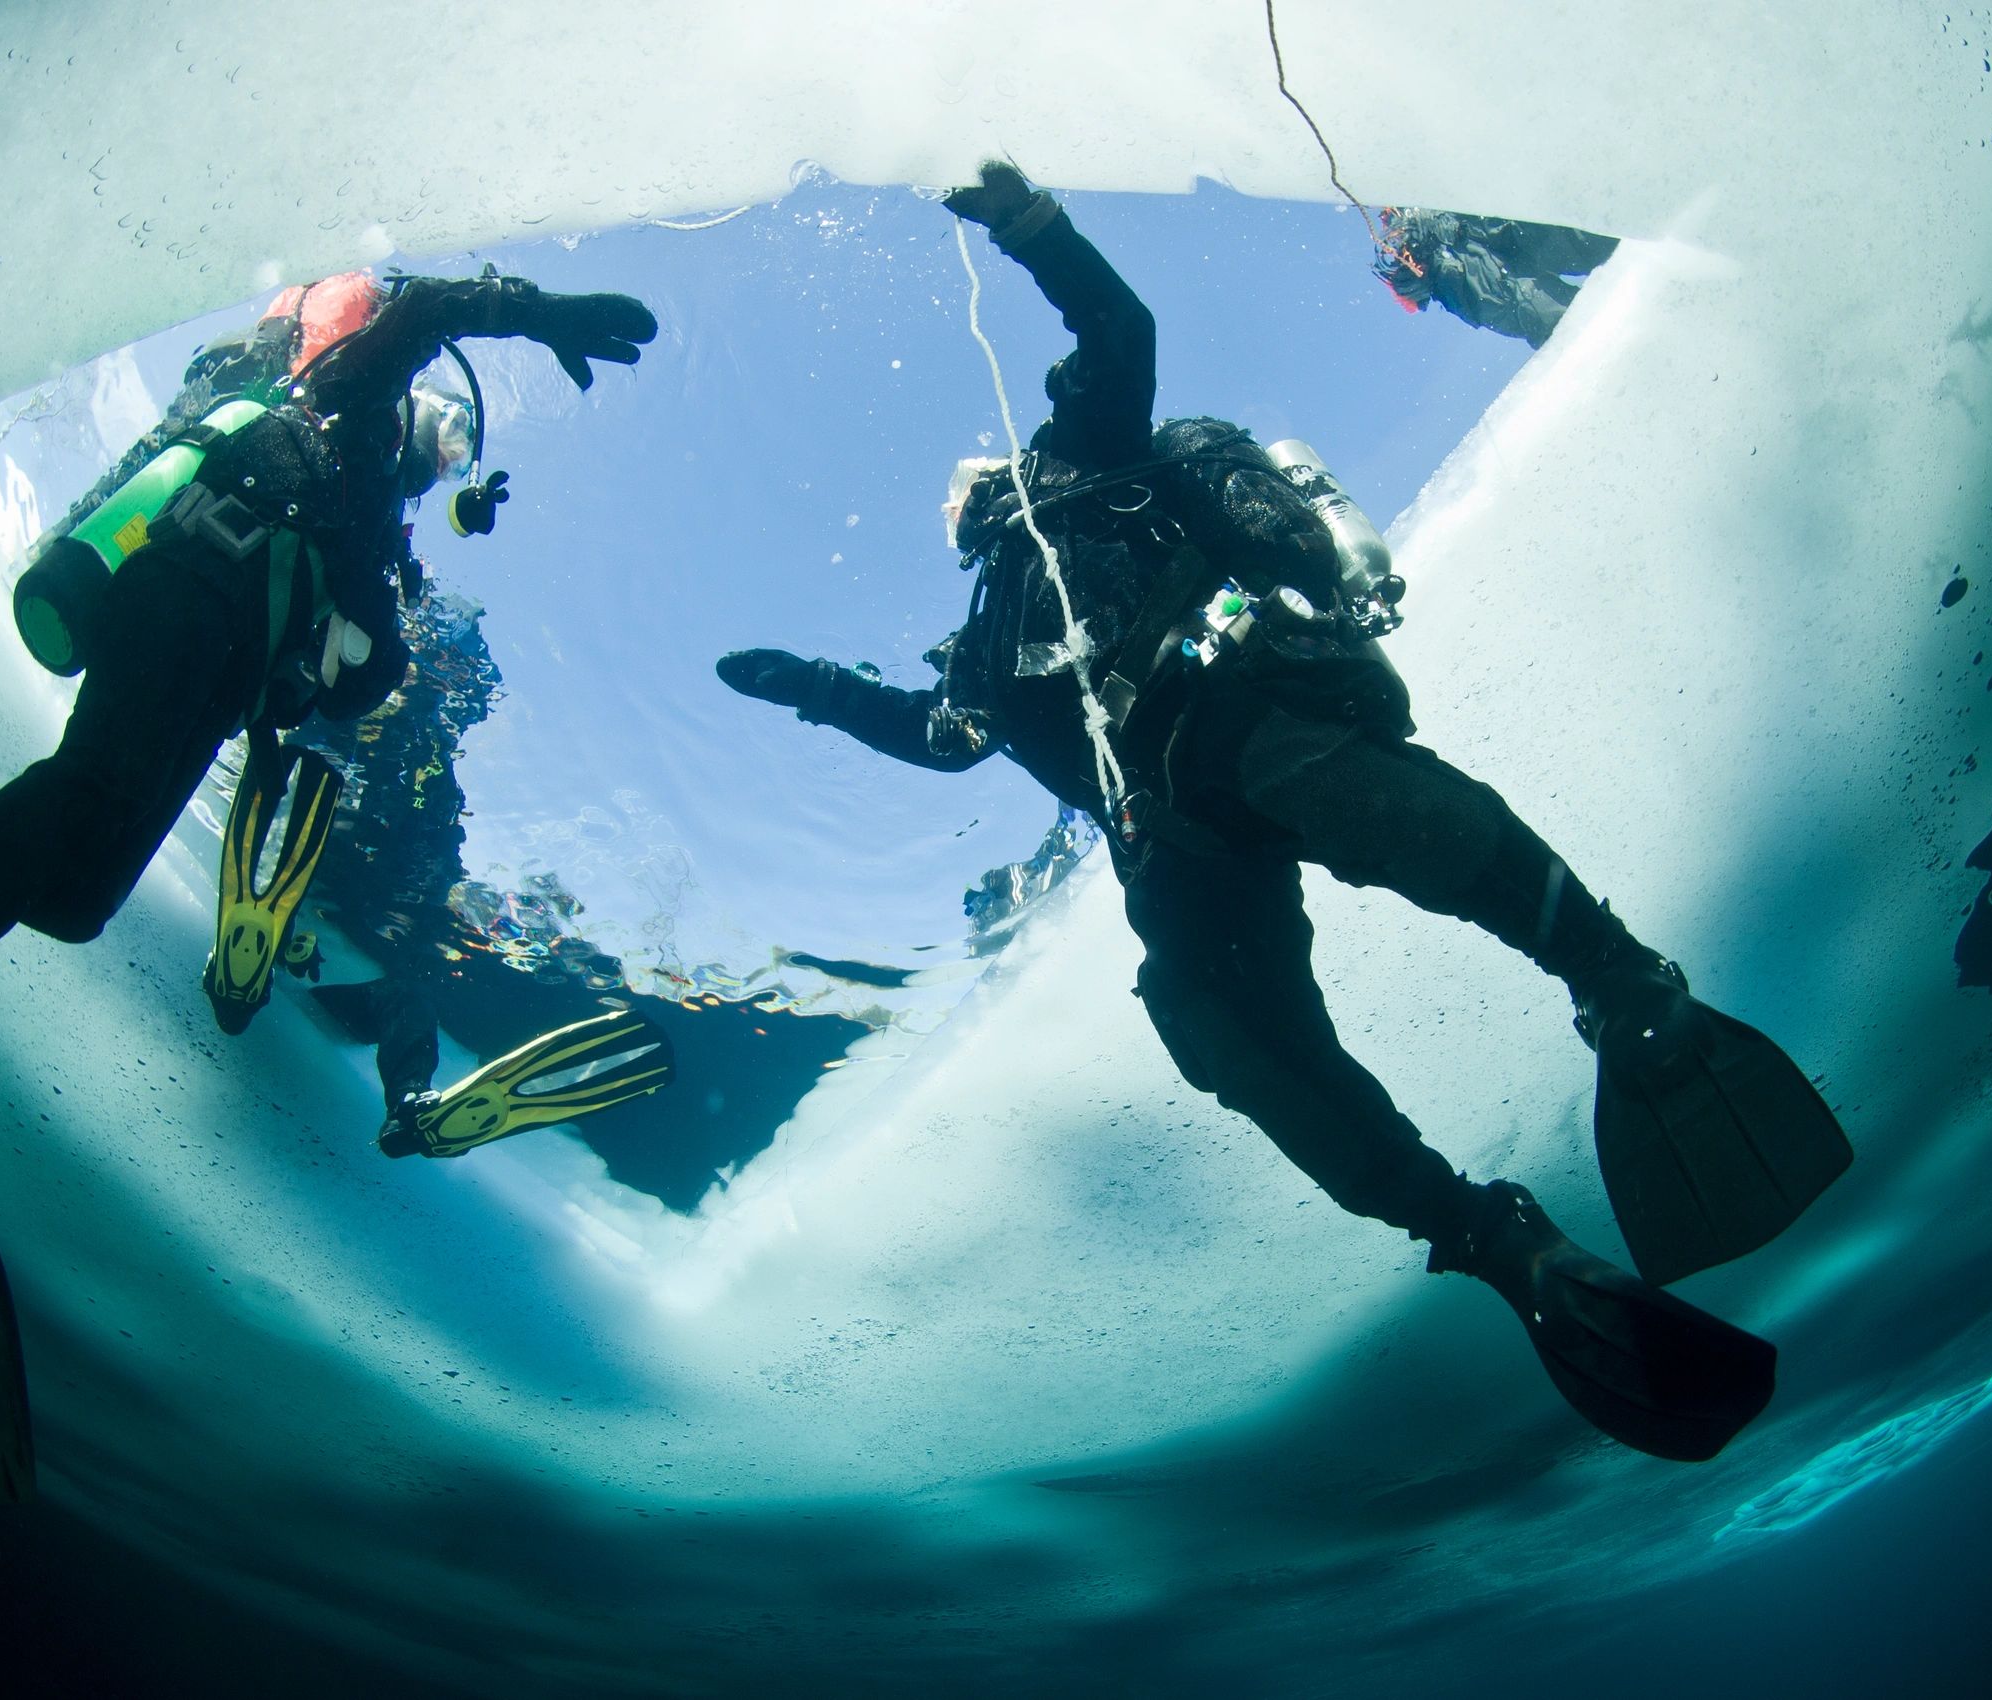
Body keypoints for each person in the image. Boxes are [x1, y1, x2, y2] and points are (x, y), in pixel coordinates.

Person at [715, 165, 1849, 1462]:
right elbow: (938, 741)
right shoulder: (982, 648)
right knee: (1222, 1036)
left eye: (967, 488)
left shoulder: (1084, 463)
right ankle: (1482, 1234)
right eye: (959, 509)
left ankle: (1619, 982)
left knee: (1361, 803)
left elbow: (1119, 335)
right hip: (1169, 843)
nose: (960, 508)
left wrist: (1040, 234)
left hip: (1239, 704)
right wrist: (806, 689)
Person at [0, 266, 656, 1510]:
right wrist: (545, 312)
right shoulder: (341, 400)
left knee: (82, 884)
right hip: (195, 584)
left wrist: (358, 648)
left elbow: (351, 672)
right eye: (447, 426)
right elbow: (417, 312)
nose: (447, 446)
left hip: (225, 635)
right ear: (406, 403)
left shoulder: (373, 510)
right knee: (86, 799)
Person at [1374, 207, 1618, 347]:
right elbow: (1517, 304)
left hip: (1512, 215)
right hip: (1457, 258)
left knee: (1578, 236)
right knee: (1535, 306)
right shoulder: (1439, 267)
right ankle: (1601, 333)